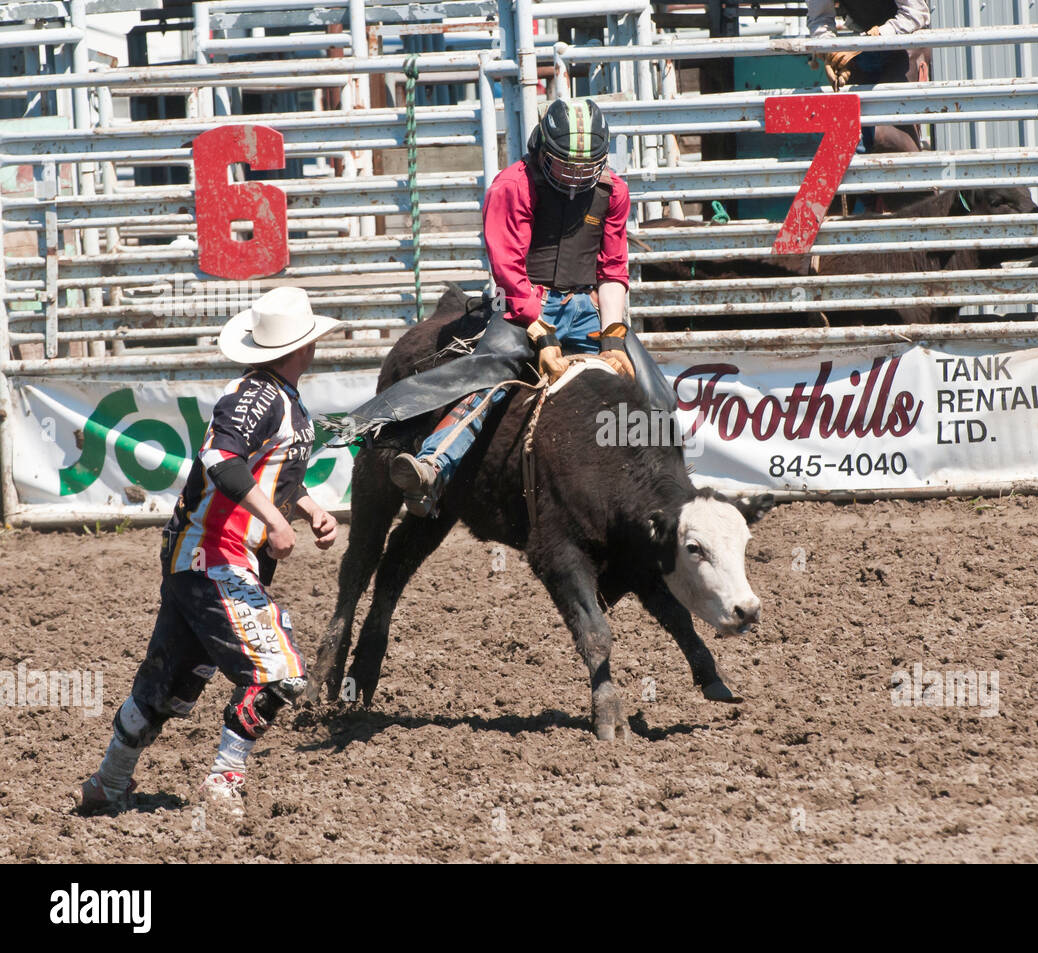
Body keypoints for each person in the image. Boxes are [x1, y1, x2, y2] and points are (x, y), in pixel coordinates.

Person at [75, 286, 343, 817]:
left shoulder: (280, 399)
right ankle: (224, 781)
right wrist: (273, 521)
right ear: (305, 346)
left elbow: (265, 474)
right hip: (216, 558)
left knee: (167, 685)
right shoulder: (261, 395)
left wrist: (307, 508)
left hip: (197, 560)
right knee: (280, 672)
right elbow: (222, 458)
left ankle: (108, 782)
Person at [389, 97, 635, 517]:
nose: (577, 175)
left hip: (585, 302)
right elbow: (508, 267)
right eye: (566, 164)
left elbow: (612, 268)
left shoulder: (614, 192)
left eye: (586, 165)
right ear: (543, 151)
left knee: (638, 382)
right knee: (493, 373)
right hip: (524, 302)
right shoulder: (512, 185)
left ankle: (653, 481)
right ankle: (433, 465)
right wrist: (541, 332)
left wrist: (613, 337)